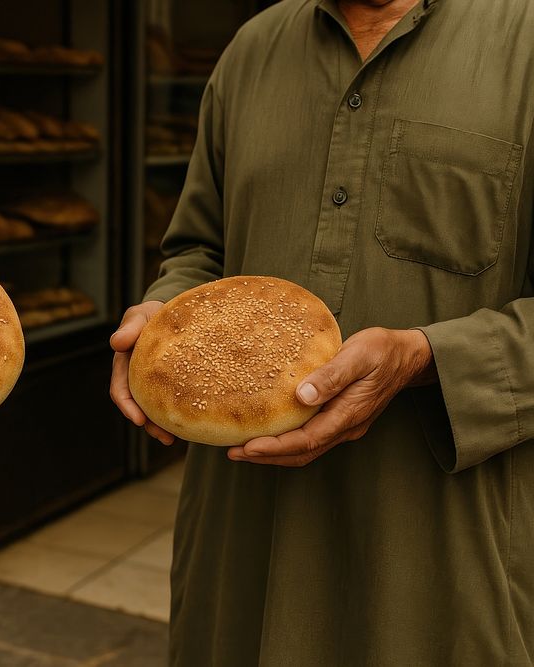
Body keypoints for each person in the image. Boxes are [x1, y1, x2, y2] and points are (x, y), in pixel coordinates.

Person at [111, 0, 534, 663]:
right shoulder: (252, 50)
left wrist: (424, 358)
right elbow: (197, 251)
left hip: (440, 554)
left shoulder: (523, 41)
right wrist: (159, 314)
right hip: (241, 541)